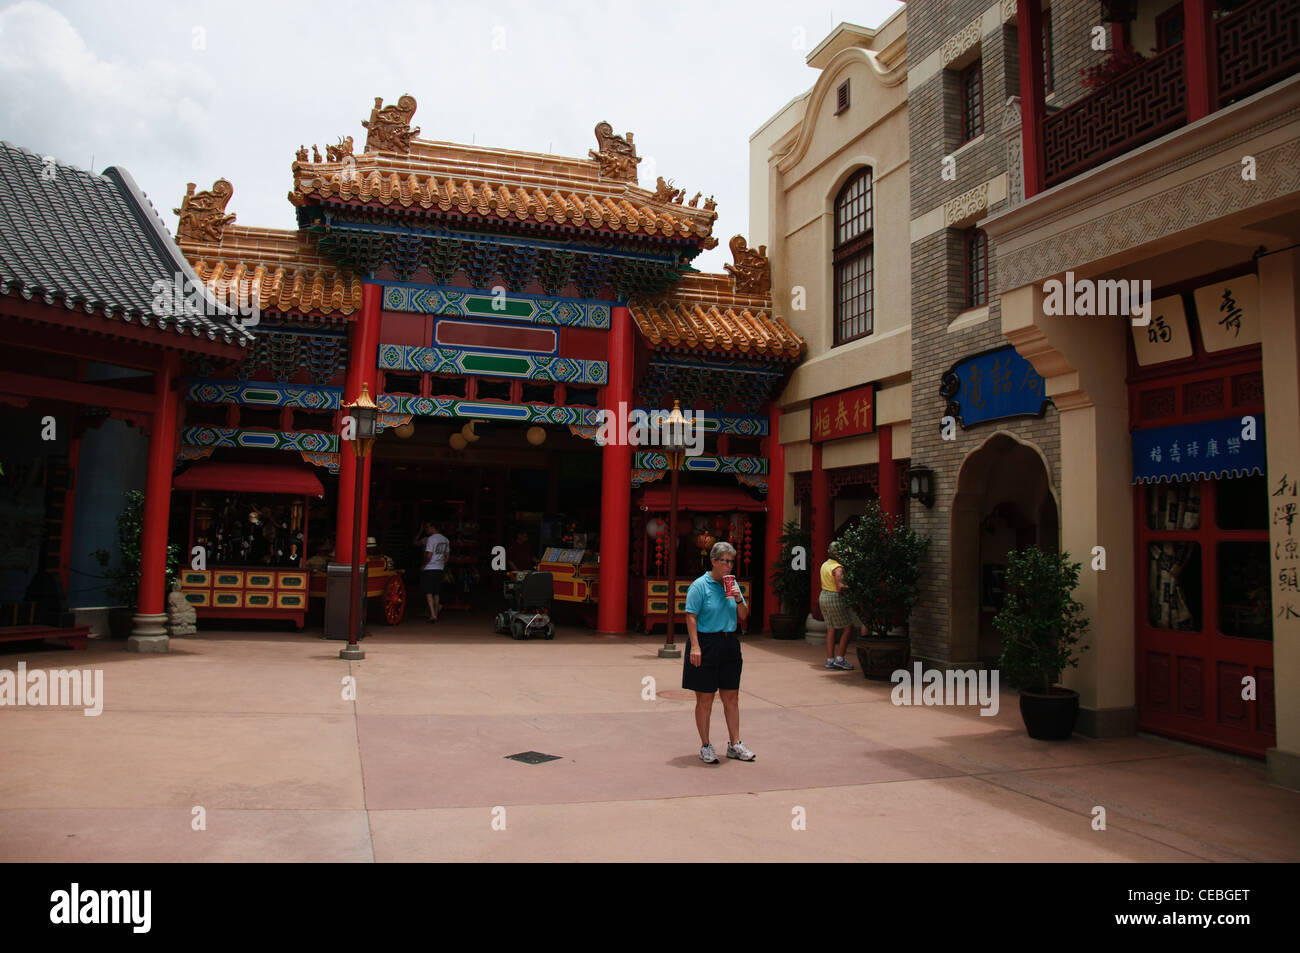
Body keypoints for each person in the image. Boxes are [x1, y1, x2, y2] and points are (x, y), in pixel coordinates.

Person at [683, 541, 755, 763]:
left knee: (731, 696)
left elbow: (743, 615)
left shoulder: (733, 585)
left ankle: (735, 743)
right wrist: (695, 646)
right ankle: (705, 744)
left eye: (732, 562)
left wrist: (737, 597)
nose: (729, 566)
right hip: (706, 643)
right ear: (713, 561)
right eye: (725, 561)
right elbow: (691, 616)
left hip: (729, 642)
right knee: (705, 698)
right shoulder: (699, 586)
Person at [819, 540, 859, 671]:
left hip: (823, 596)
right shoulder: (838, 568)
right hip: (834, 597)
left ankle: (830, 660)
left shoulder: (825, 565)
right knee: (848, 628)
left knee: (831, 628)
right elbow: (840, 587)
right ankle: (840, 659)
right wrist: (854, 586)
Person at [416, 519, 450, 622]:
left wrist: (424, 565)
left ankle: (432, 614)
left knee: (429, 592)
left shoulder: (431, 539)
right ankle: (436, 613)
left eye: (427, 527)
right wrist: (441, 564)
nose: (426, 529)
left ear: (432, 527)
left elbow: (429, 555)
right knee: (436, 593)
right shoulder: (445, 539)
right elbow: (447, 556)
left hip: (430, 568)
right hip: (439, 569)